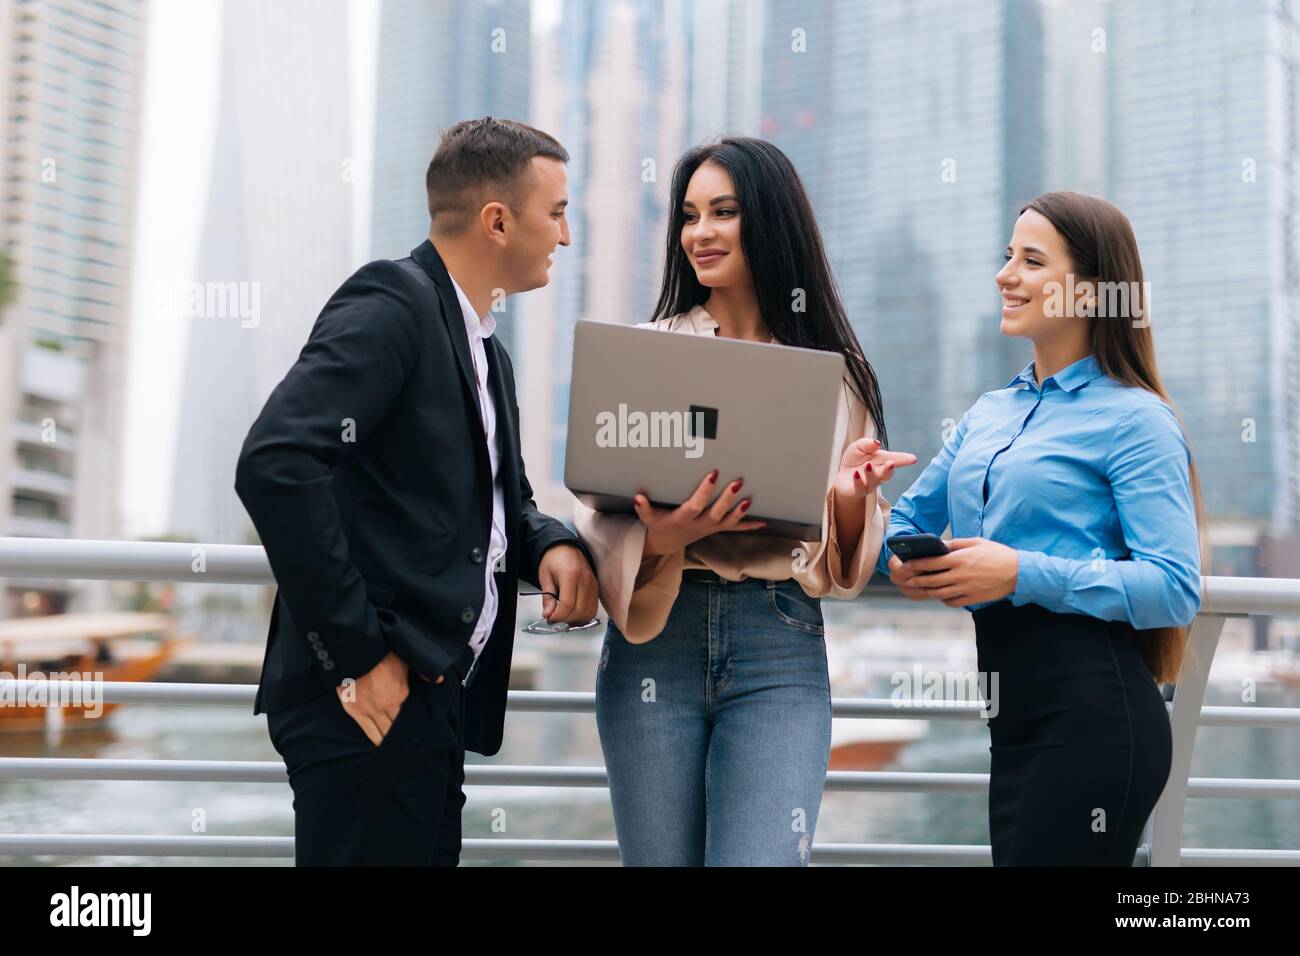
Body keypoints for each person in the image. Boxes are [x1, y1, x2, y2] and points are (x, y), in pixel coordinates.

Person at [235, 117, 599, 866]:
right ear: (498, 221)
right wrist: (359, 659)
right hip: (368, 700)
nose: (565, 237)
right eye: (557, 213)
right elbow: (276, 463)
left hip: (435, 700)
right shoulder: (393, 304)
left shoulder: (487, 352)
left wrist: (554, 545)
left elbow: (506, 507)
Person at [574, 137, 916, 866]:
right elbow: (598, 509)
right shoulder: (645, 352)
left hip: (778, 647)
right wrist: (663, 537)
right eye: (690, 215)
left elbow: (844, 562)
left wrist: (847, 498)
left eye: (723, 212)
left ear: (769, 219)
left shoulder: (836, 376)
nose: (700, 232)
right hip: (653, 649)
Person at [881, 190, 1204, 866]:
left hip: (1097, 717)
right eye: (1007, 257)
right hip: (1014, 718)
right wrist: (885, 531)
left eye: (1031, 260)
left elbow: (1173, 588)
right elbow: (907, 522)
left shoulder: (1136, 419)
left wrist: (1020, 572)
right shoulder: (989, 412)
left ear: (1091, 294)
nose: (1005, 275)